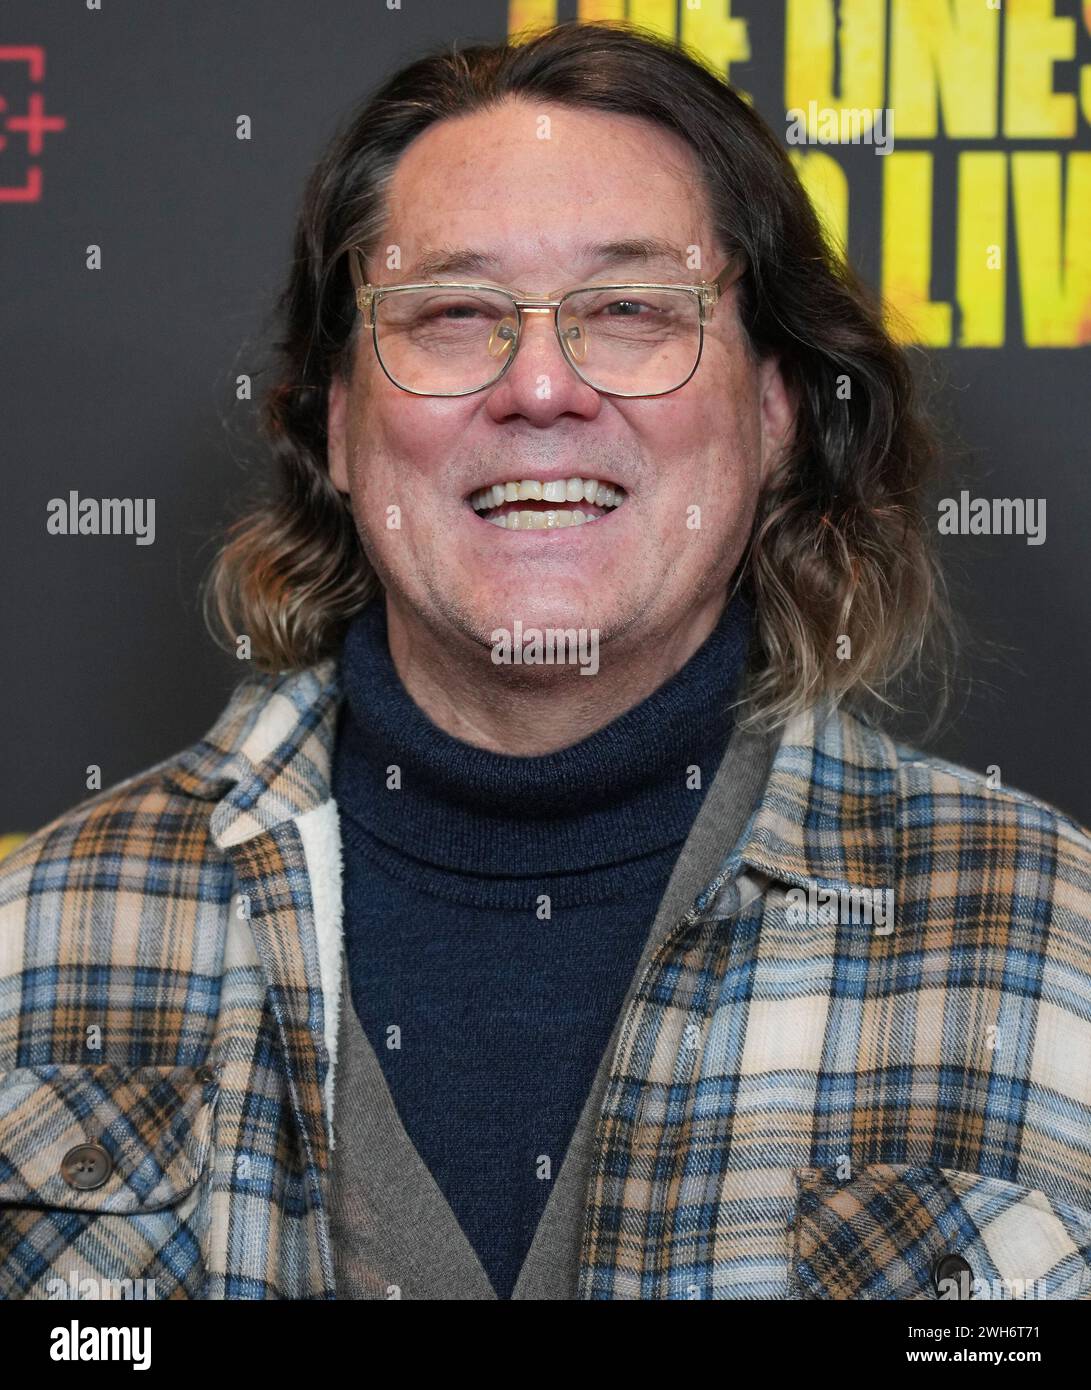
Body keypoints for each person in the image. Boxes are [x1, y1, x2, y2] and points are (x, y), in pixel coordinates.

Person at [2, 21, 1089, 1303]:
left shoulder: (1052, 944)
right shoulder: (35, 941)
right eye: (451, 313)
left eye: (630, 309)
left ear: (777, 409)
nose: (536, 385)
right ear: (339, 422)